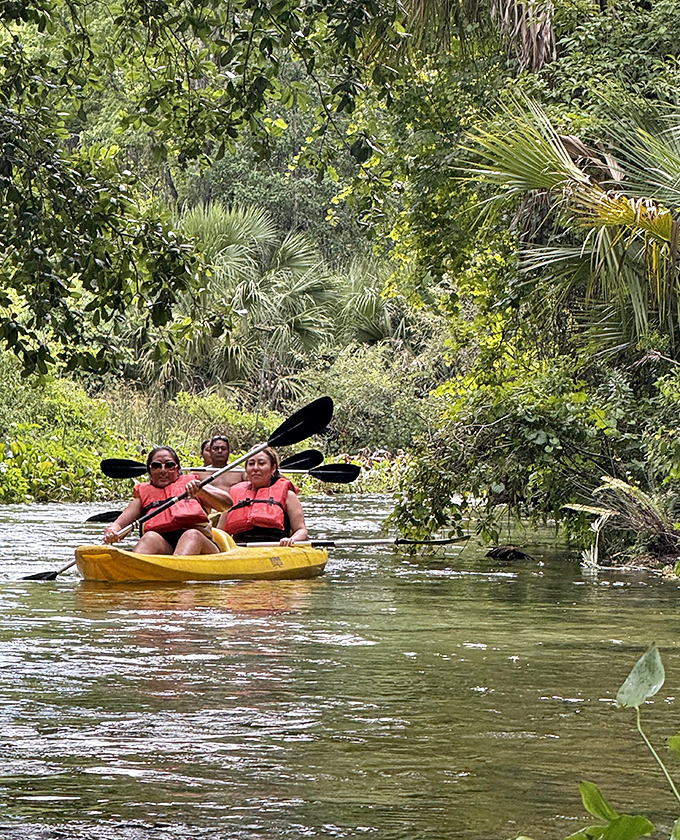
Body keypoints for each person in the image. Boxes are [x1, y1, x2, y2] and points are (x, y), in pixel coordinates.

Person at [102, 446, 232, 555]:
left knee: (191, 535)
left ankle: (177, 574)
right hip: (165, 548)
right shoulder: (142, 496)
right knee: (150, 537)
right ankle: (131, 573)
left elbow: (227, 504)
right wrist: (112, 532)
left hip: (202, 546)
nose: (163, 470)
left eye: (169, 465)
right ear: (150, 471)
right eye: (157, 466)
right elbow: (118, 525)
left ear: (177, 470)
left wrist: (202, 492)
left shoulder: (193, 486)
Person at [217, 447, 308, 546]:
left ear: (273, 468)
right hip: (240, 550)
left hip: (276, 548)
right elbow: (219, 532)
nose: (255, 468)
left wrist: (292, 540)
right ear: (246, 469)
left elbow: (301, 530)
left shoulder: (288, 496)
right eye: (251, 464)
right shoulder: (233, 495)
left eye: (261, 463)